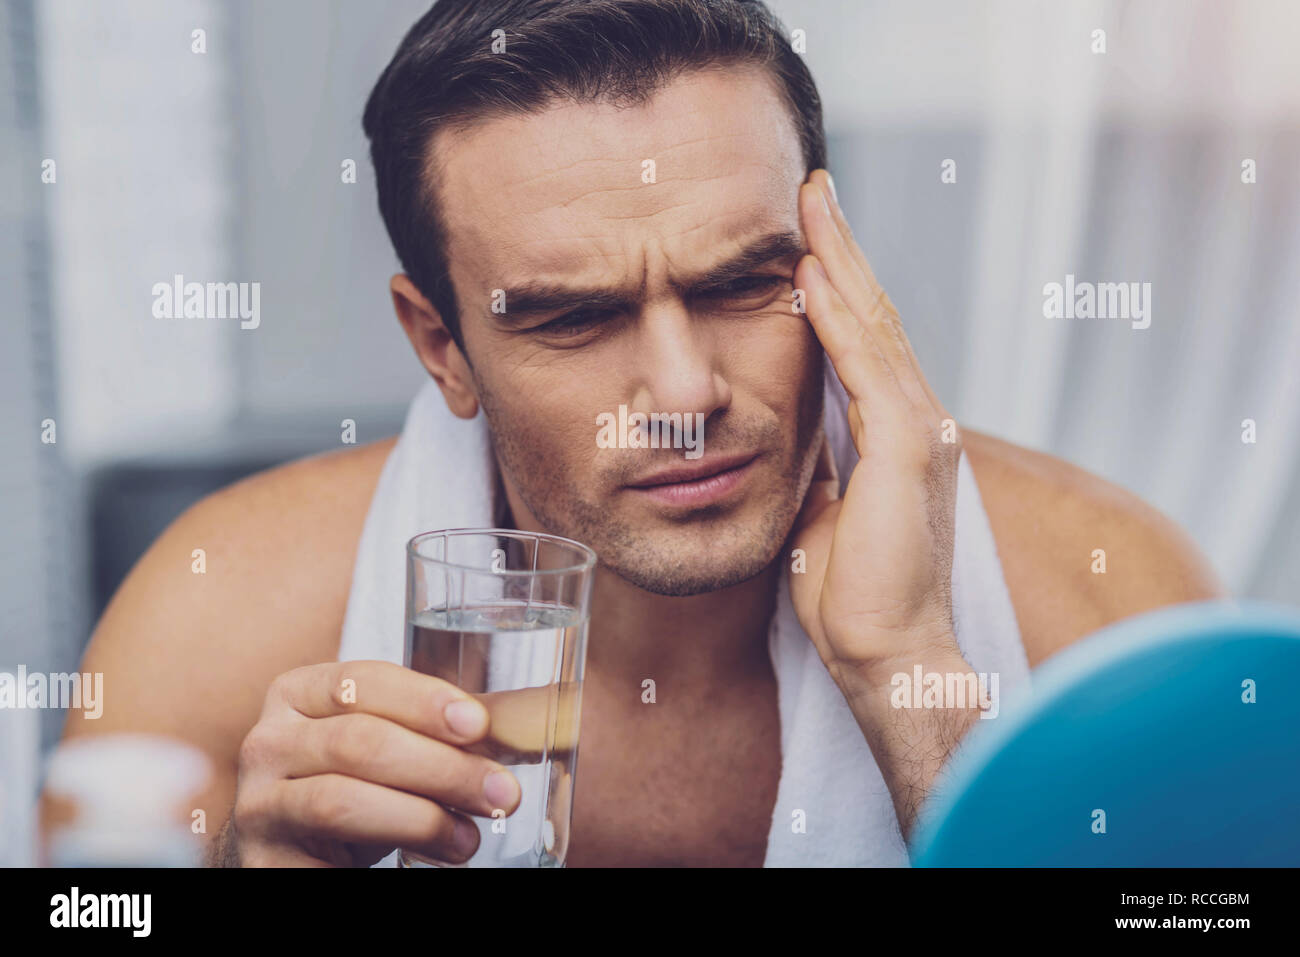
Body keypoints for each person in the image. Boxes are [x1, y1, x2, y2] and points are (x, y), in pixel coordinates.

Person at [52, 0, 1223, 867]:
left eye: (743, 282)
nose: (683, 390)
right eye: (575, 317)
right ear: (442, 347)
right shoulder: (223, 613)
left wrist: (912, 677)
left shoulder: (1099, 600)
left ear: (836, 270)